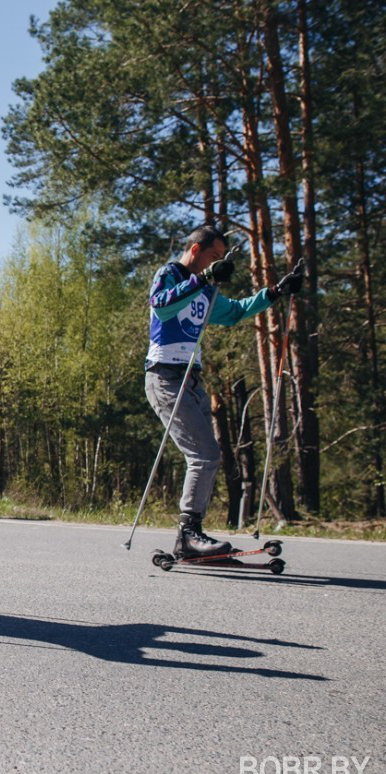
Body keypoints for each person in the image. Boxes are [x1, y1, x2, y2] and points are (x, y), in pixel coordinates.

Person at [145, 224, 303, 557]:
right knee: (204, 455)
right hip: (165, 378)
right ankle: (188, 536)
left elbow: (233, 313)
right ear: (195, 250)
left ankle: (190, 534)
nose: (216, 264)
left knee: (208, 456)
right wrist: (202, 279)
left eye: (220, 259)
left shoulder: (205, 289)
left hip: (190, 381)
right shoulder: (171, 274)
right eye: (213, 257)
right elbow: (161, 306)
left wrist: (275, 292)